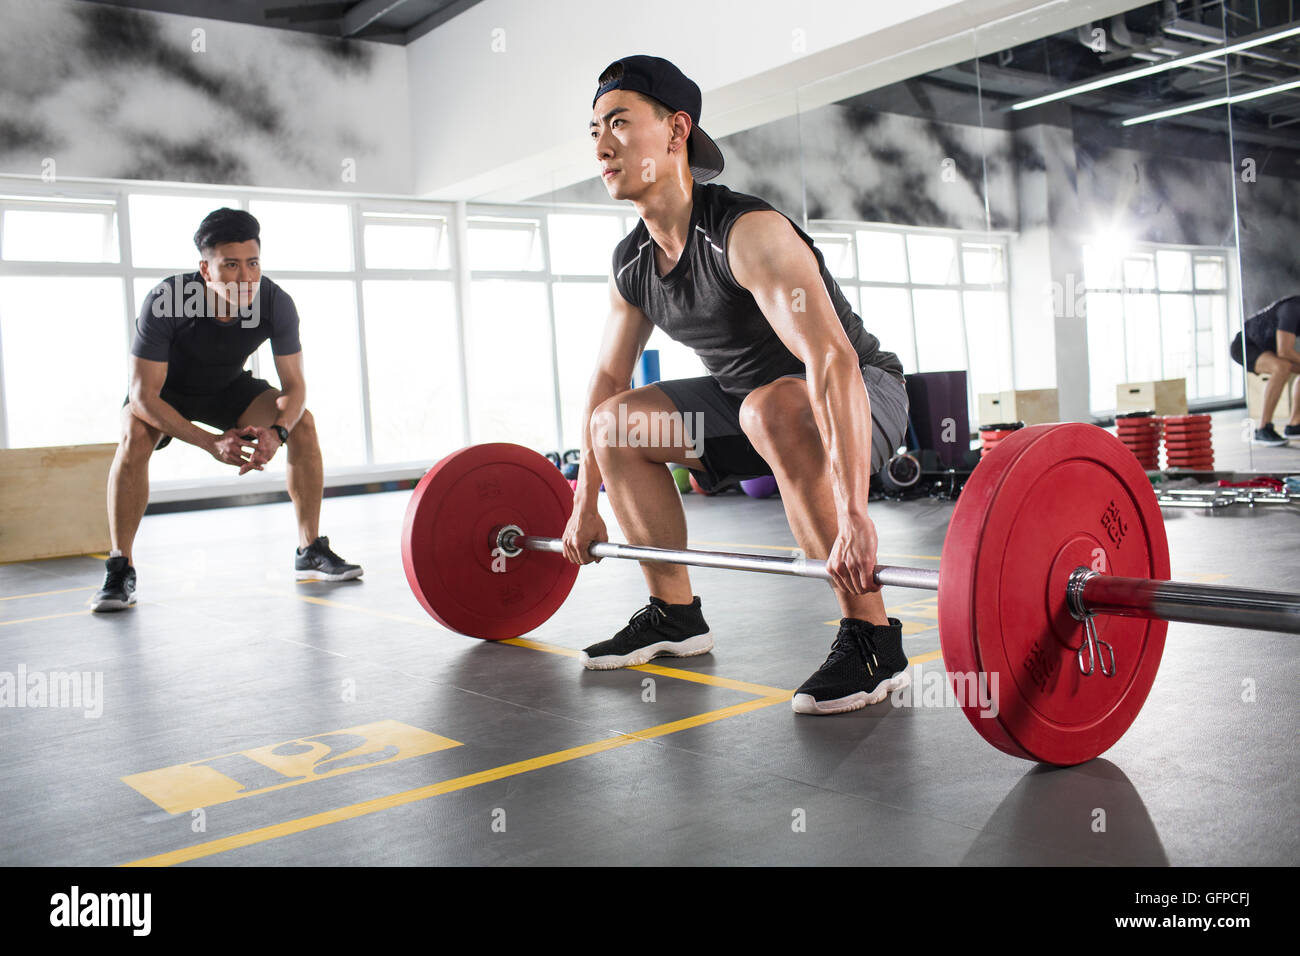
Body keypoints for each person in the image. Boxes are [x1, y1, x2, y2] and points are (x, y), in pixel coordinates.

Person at [564, 55, 911, 715]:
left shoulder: (746, 234)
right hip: (748, 415)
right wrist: (585, 501)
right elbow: (608, 377)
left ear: (675, 133)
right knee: (615, 420)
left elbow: (831, 360)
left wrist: (857, 514)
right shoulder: (633, 263)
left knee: (773, 403)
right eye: (593, 131)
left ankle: (872, 637)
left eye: (618, 123)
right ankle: (675, 613)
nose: (602, 145)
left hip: (859, 393)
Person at [92, 208, 362, 612]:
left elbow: (296, 386)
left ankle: (309, 549)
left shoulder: (273, 301)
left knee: (303, 423)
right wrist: (210, 442)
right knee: (133, 428)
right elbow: (144, 395)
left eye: (252, 264)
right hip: (168, 393)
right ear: (205, 268)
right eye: (230, 265)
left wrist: (279, 432)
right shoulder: (167, 301)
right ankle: (120, 567)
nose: (244, 277)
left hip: (227, 389)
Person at [1230, 294, 1300, 445]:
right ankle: (1262, 429)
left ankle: (1295, 425)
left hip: (1265, 348)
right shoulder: (1293, 308)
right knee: (1282, 367)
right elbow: (1284, 352)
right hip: (1244, 345)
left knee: (1286, 366)